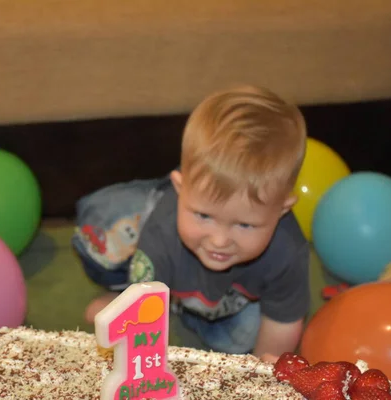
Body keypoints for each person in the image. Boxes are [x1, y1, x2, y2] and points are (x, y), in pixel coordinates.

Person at [72, 85, 310, 363]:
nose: (219, 240)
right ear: (180, 188)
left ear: (281, 211)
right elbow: (140, 314)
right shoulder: (161, 232)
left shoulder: (288, 249)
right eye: (204, 216)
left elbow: (283, 324)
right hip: (152, 248)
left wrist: (263, 378)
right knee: (103, 247)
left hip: (219, 295)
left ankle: (182, 305)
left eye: (244, 225)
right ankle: (140, 290)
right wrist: (130, 309)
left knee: (241, 338)